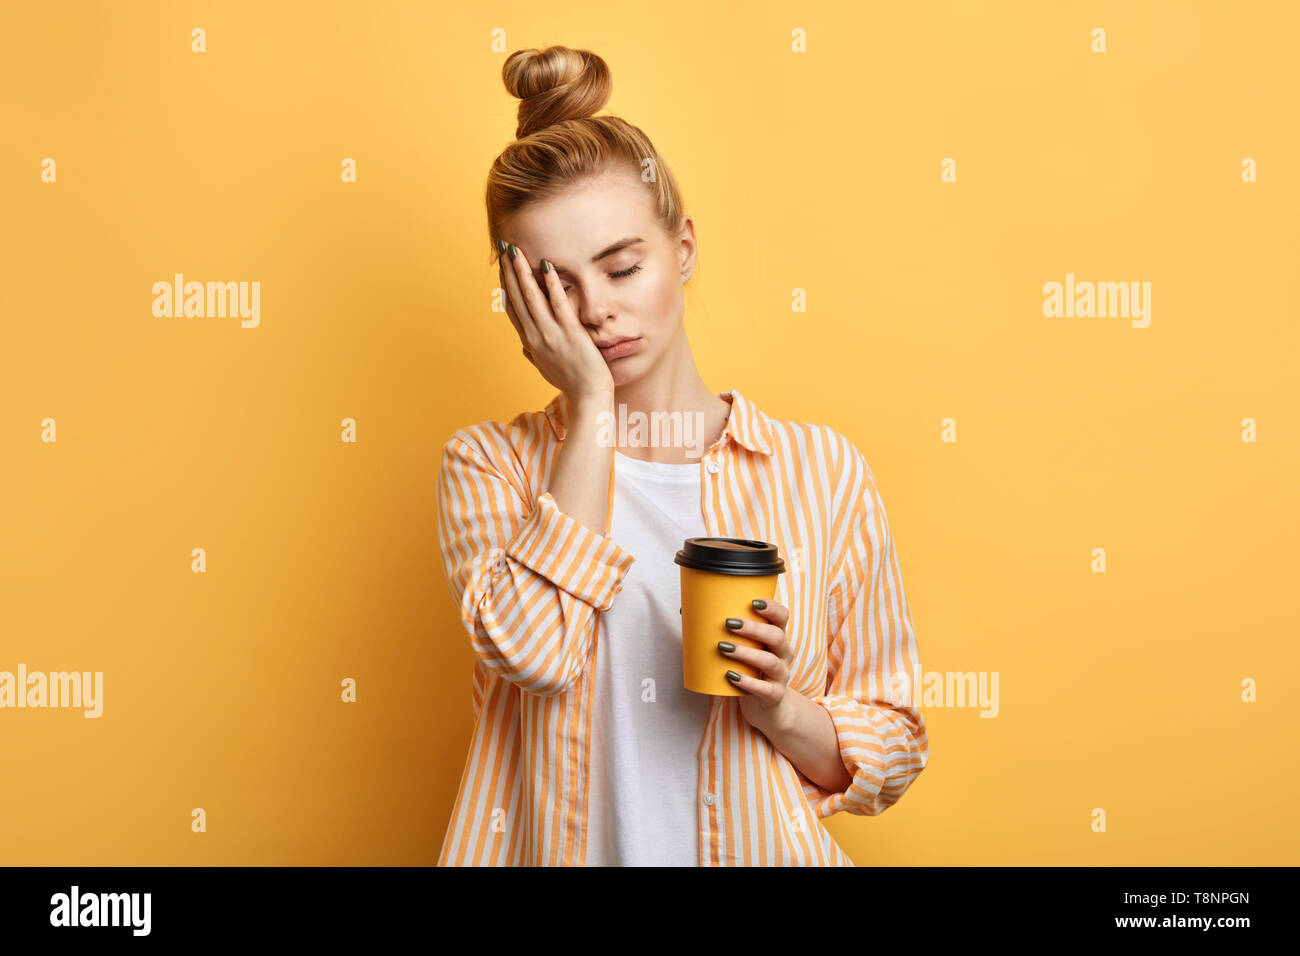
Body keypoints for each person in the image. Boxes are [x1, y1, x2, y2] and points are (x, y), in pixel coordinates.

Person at [436, 45, 928, 866]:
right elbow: (537, 657)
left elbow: (895, 743)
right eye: (557, 287)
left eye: (623, 267)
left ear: (684, 250)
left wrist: (780, 710)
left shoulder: (822, 473)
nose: (596, 310)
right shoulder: (490, 466)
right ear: (521, 303)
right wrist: (591, 406)